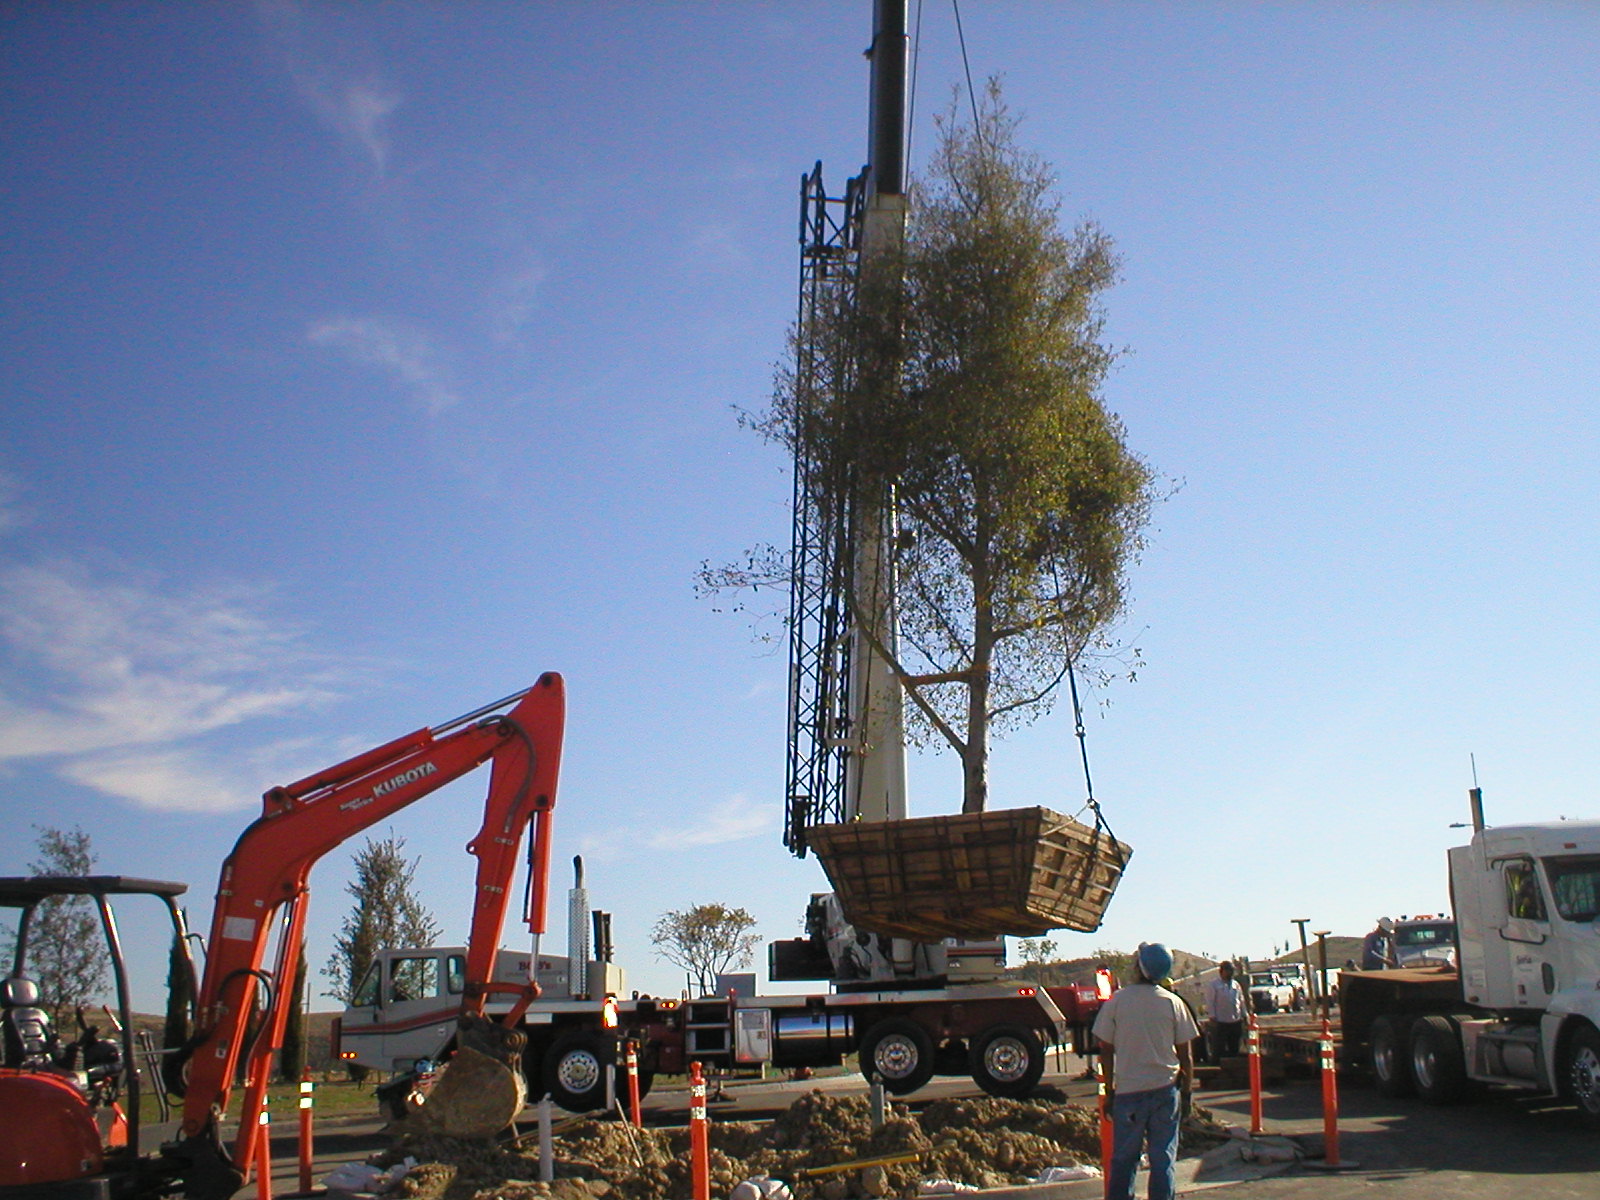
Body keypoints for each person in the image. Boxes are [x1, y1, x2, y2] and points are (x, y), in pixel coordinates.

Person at [1092, 942, 1199, 1200]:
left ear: (1138, 967)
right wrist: (1186, 1093)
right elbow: (1186, 1056)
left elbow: (1105, 1050)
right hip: (1165, 1092)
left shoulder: (1117, 1003)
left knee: (1124, 1161)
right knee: (1162, 1160)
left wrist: (1108, 1092)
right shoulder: (1173, 1003)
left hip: (1129, 1094)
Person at [1203, 960, 1247, 1059]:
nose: (1231, 973)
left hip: (1235, 1021)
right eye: (1228, 970)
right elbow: (1210, 1002)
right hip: (1220, 1022)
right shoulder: (1213, 985)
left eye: (1232, 970)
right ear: (1221, 971)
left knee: (1234, 1047)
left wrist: (1245, 1015)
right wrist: (1212, 1017)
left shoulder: (1236, 985)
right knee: (1219, 1048)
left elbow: (1241, 1000)